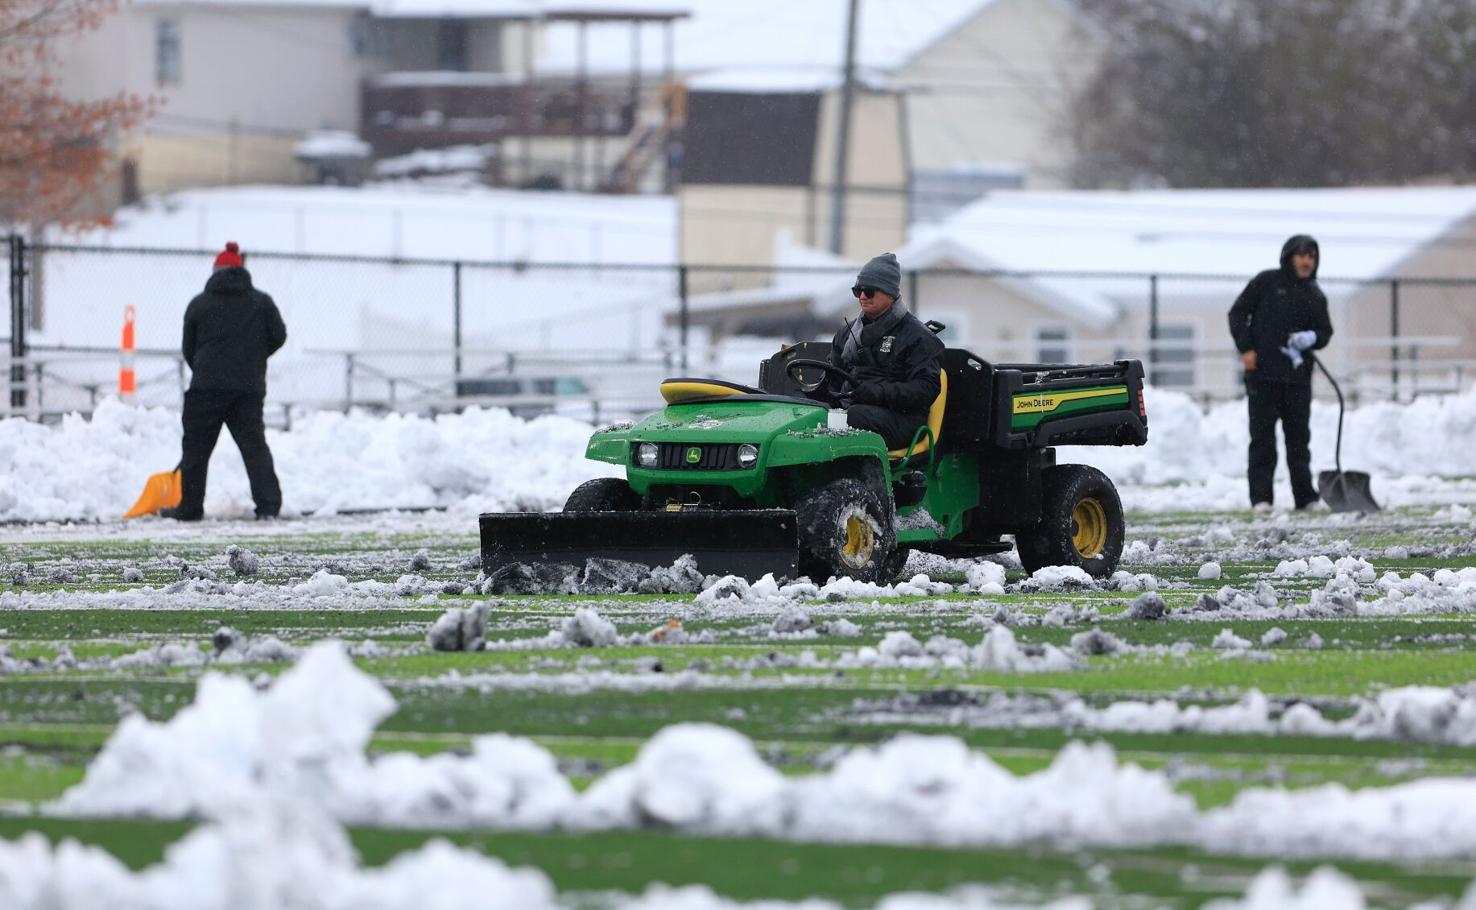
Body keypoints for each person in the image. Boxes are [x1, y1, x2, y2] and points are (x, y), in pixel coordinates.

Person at [167, 241, 287, 520]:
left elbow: (189, 348)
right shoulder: (262, 302)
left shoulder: (199, 304)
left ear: (215, 271)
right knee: (254, 447)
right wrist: (254, 358)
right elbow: (279, 336)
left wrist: (205, 368)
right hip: (247, 390)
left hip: (206, 389)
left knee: (196, 450)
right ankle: (268, 506)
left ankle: (190, 507)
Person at [1227, 234, 1333, 512]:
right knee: (1262, 441)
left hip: (1297, 380)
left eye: (1311, 256)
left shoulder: (1315, 294)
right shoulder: (1266, 282)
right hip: (1262, 377)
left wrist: (1312, 337)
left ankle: (1305, 498)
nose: (1306, 261)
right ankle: (1261, 499)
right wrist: (1246, 348)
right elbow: (1237, 313)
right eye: (1301, 255)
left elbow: (1325, 331)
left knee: (1299, 441)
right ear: (1289, 257)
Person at [825, 252, 945, 450]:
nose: (862, 296)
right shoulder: (846, 333)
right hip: (855, 409)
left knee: (852, 417)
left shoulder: (918, 337)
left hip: (902, 419)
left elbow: (926, 390)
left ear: (889, 293)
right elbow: (834, 376)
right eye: (858, 291)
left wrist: (875, 393)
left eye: (869, 291)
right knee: (810, 413)